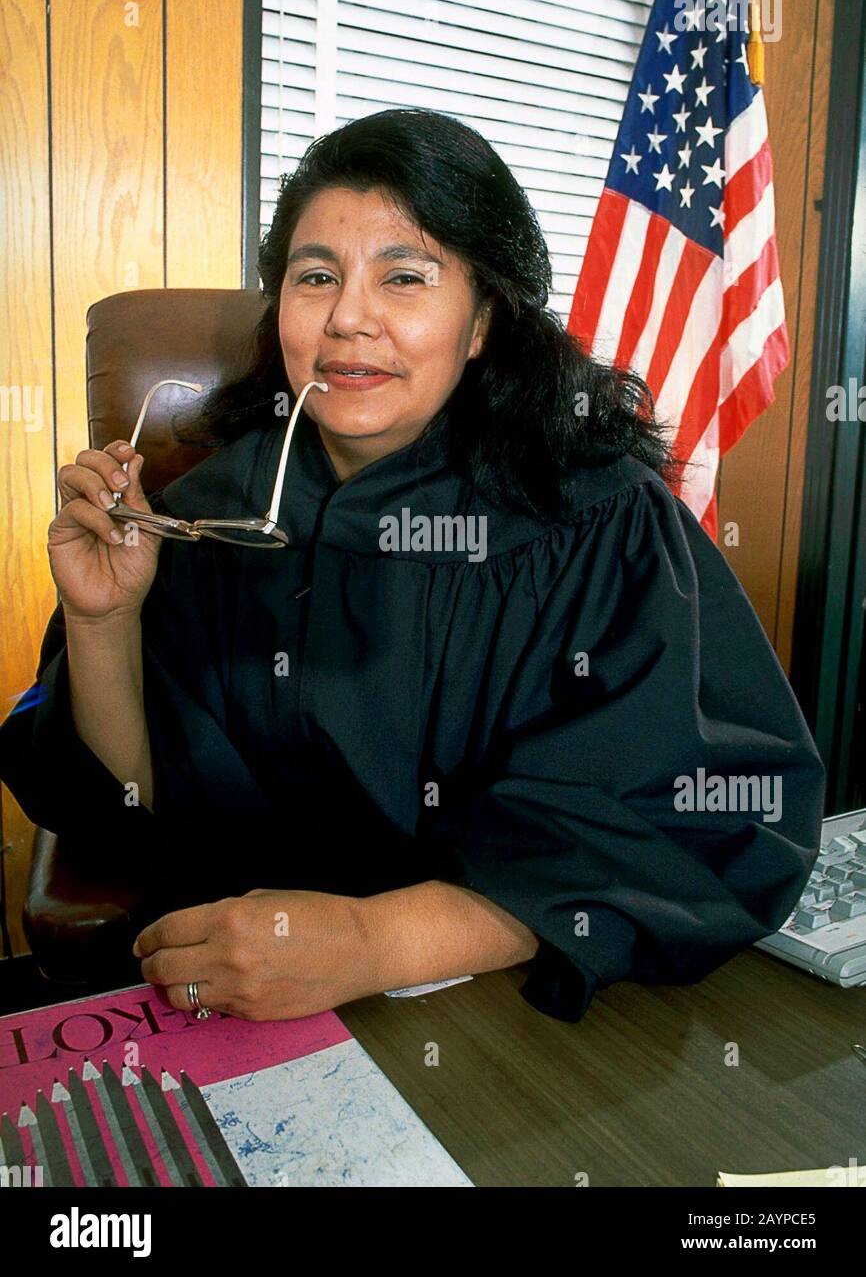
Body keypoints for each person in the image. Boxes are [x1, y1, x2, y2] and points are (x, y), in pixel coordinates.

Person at [0, 108, 825, 1025]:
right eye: (317, 278)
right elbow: (130, 808)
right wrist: (104, 621)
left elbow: (691, 813)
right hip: (236, 992)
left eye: (405, 277)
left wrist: (377, 943)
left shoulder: (600, 520)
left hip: (510, 999)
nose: (350, 318)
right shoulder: (206, 514)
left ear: (482, 323)